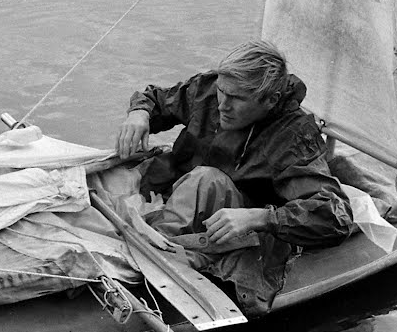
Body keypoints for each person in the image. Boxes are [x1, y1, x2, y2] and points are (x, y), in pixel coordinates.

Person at [114, 39, 353, 315]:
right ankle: (146, 235)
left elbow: (336, 216)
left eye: (237, 99)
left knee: (206, 180)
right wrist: (139, 113)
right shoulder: (210, 90)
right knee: (118, 174)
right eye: (221, 92)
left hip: (232, 224)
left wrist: (260, 217)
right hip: (180, 194)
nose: (223, 105)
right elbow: (157, 98)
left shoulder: (293, 138)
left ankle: (148, 252)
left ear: (270, 101)